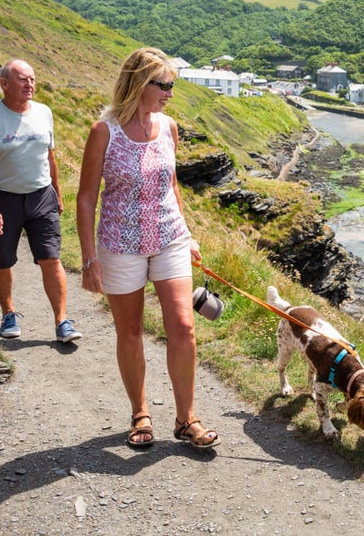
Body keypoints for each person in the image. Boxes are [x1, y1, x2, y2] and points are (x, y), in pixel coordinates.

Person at [75, 47, 216, 450]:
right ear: (140, 83)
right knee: (131, 330)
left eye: (172, 85)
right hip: (120, 245)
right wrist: (90, 260)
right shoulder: (104, 131)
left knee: (184, 328)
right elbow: (86, 198)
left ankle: (186, 418)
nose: (171, 93)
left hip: (169, 238)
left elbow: (172, 186)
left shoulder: (169, 127)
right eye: (165, 85)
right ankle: (140, 412)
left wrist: (188, 235)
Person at [0, 59, 80, 343]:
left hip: (41, 197)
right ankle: (8, 313)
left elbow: (49, 156)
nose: (30, 84)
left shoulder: (44, 112)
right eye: (22, 79)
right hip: (2, 199)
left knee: (51, 258)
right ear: (4, 84)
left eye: (32, 79)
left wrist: (56, 191)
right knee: (2, 261)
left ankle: (62, 321)